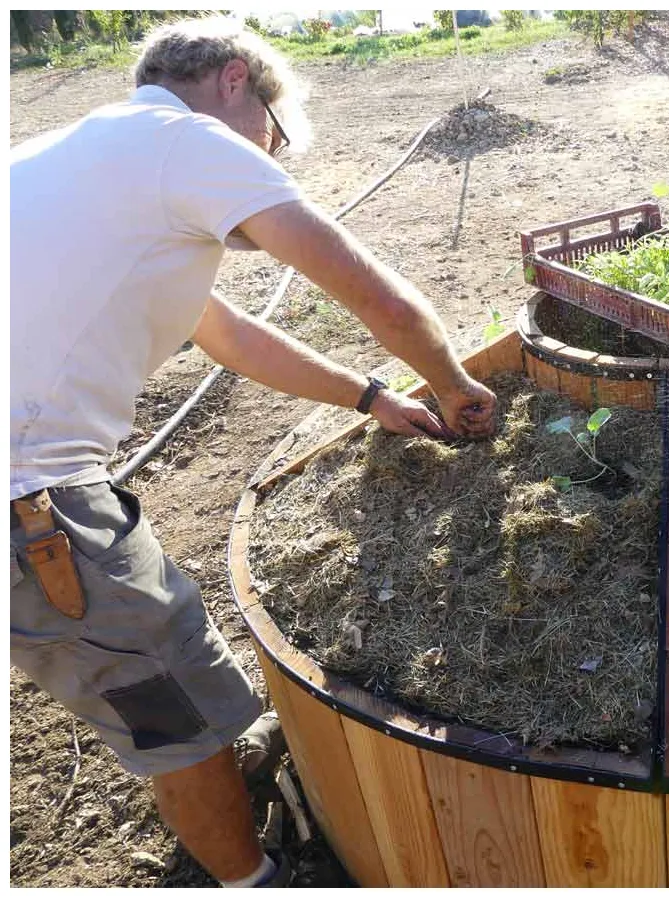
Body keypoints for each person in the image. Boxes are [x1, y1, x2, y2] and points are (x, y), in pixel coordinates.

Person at [10, 16, 496, 888]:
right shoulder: (187, 139)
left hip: (32, 488)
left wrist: (371, 396)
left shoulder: (79, 157)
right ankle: (256, 881)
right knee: (173, 723)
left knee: (173, 675)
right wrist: (453, 385)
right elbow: (368, 290)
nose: (276, 160)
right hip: (31, 505)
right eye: (276, 142)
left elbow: (228, 338)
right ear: (236, 82)